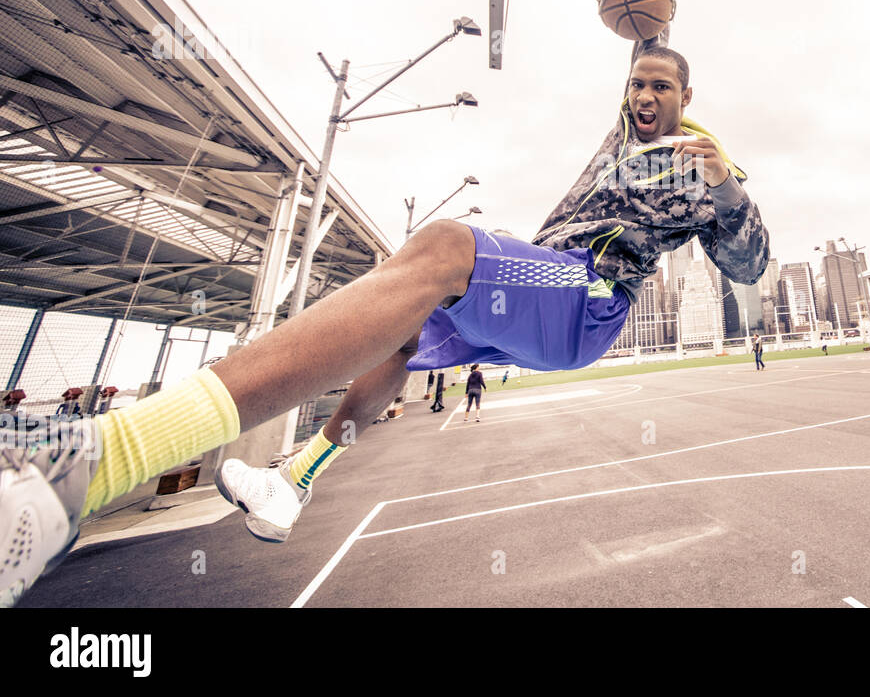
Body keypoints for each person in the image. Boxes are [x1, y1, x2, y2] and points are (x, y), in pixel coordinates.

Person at [1, 44, 769, 601]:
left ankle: (100, 459)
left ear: (686, 94)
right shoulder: (620, 138)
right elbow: (643, 33)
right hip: (535, 292)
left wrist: (725, 185)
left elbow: (749, 264)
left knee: (439, 247)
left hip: (584, 297)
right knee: (401, 327)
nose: (644, 95)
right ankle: (292, 482)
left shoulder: (698, 171)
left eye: (660, 87)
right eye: (636, 82)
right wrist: (644, 10)